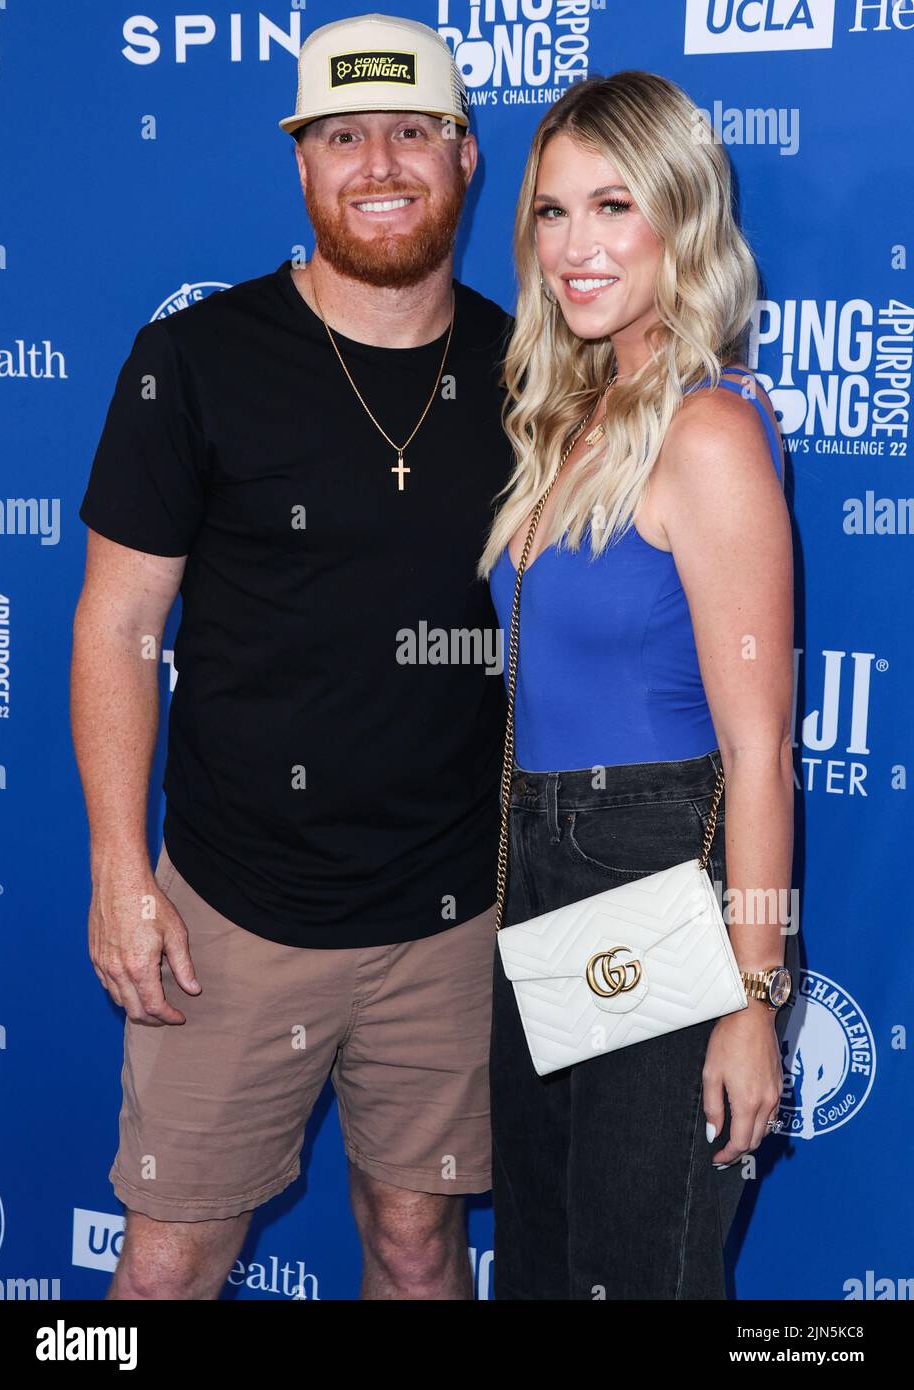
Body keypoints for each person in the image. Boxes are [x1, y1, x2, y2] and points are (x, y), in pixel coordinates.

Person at [71, 13, 513, 1301]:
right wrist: (118, 870)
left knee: (422, 1246)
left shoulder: (530, 367)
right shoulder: (193, 362)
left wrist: (725, 399)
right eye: (342, 134)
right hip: (235, 911)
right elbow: (115, 624)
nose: (379, 162)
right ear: (302, 164)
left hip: (452, 913)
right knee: (161, 1269)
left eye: (412, 130)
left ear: (466, 156)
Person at [479, 70, 800, 1300]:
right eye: (552, 214)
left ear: (679, 216)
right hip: (545, 859)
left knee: (635, 1274)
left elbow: (759, 750)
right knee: (552, 1267)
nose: (575, 247)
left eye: (612, 207)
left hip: (659, 867)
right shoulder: (572, 413)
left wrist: (752, 991)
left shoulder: (708, 432)